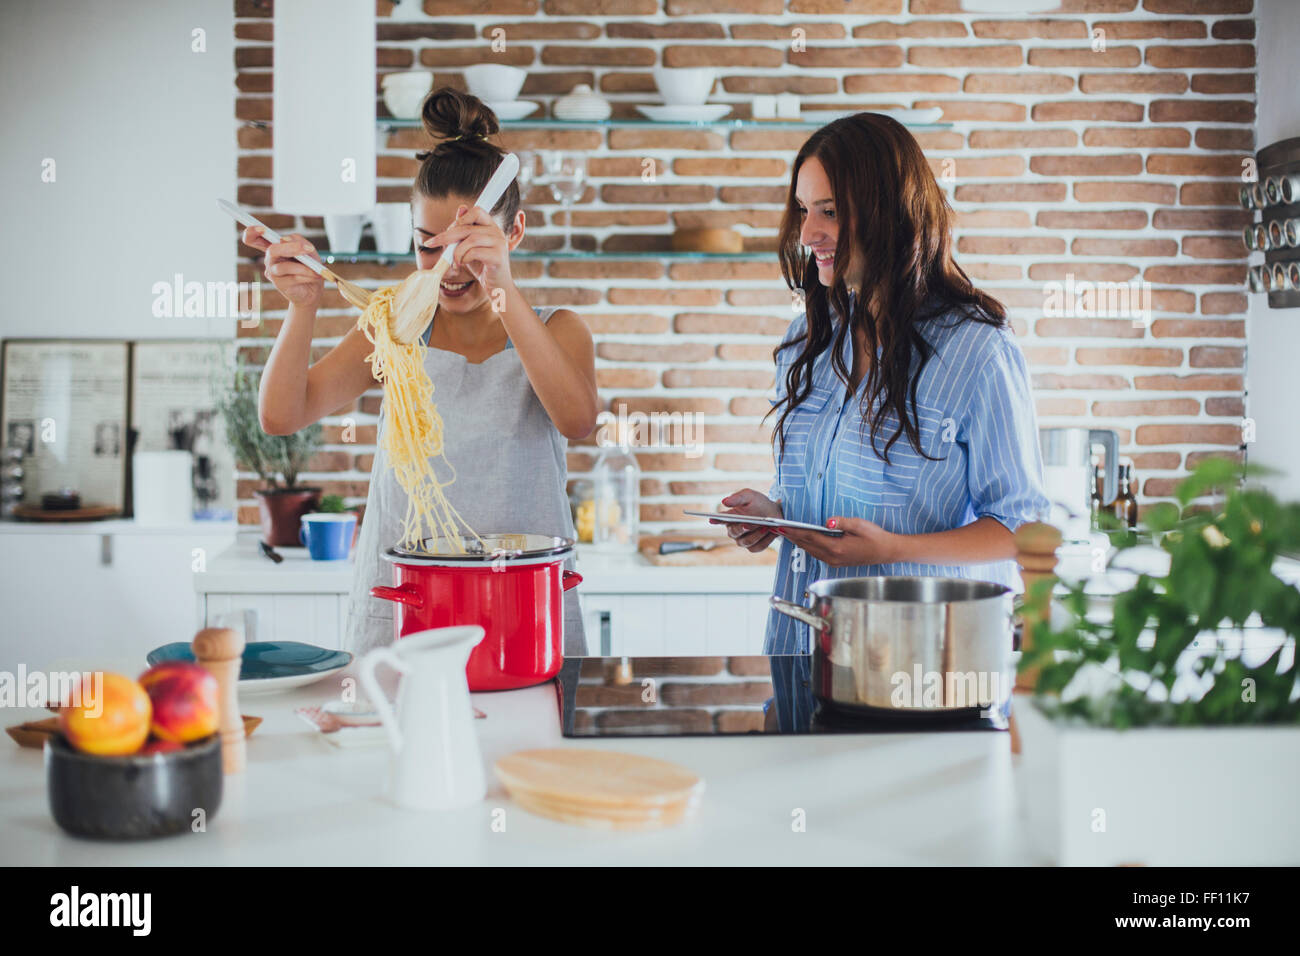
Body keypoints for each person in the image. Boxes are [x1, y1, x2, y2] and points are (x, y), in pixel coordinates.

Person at [248, 88, 598, 657]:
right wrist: (302, 306)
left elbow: (577, 419)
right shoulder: (395, 327)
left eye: (467, 244)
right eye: (426, 246)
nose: (447, 267)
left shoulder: (559, 330)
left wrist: (502, 287)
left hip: (522, 597)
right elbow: (282, 415)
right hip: (409, 599)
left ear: (513, 234)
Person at [720, 112, 1049, 655]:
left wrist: (893, 549)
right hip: (800, 647)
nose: (808, 234)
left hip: (920, 663)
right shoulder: (808, 339)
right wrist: (778, 516)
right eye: (803, 211)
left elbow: (1022, 528)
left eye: (830, 211)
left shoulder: (978, 350)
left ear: (888, 213)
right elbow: (829, 495)